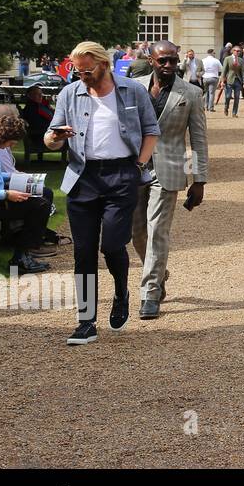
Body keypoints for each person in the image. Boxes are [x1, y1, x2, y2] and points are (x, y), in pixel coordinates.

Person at [45, 41, 160, 346]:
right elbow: (50, 138)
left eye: (86, 69)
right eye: (77, 70)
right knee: (83, 252)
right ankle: (86, 321)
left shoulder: (132, 91)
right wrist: (55, 137)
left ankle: (121, 292)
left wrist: (139, 164)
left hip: (122, 174)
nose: (81, 75)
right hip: (83, 178)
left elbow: (151, 130)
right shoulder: (70, 93)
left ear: (104, 64)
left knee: (111, 245)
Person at [131, 41, 208, 319]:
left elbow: (198, 139)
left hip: (169, 169)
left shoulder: (191, 93)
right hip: (135, 168)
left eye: (173, 61)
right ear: (151, 60)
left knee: (157, 230)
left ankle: (149, 293)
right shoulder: (133, 87)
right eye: (163, 60)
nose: (168, 66)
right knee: (136, 232)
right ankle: (160, 272)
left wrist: (199, 179)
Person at [0, 114, 51, 273]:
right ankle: (19, 258)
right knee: (40, 205)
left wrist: (15, 176)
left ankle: (26, 252)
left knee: (45, 193)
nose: (14, 144)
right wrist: (6, 194)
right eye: (12, 140)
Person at [220, 46, 244, 117]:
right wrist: (222, 81)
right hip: (229, 80)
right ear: (232, 51)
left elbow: (243, 71)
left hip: (238, 80)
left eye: (238, 51)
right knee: (228, 96)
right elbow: (224, 70)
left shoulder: (241, 60)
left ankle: (234, 113)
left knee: (237, 97)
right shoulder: (227, 59)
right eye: (235, 50)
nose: (237, 52)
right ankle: (226, 107)